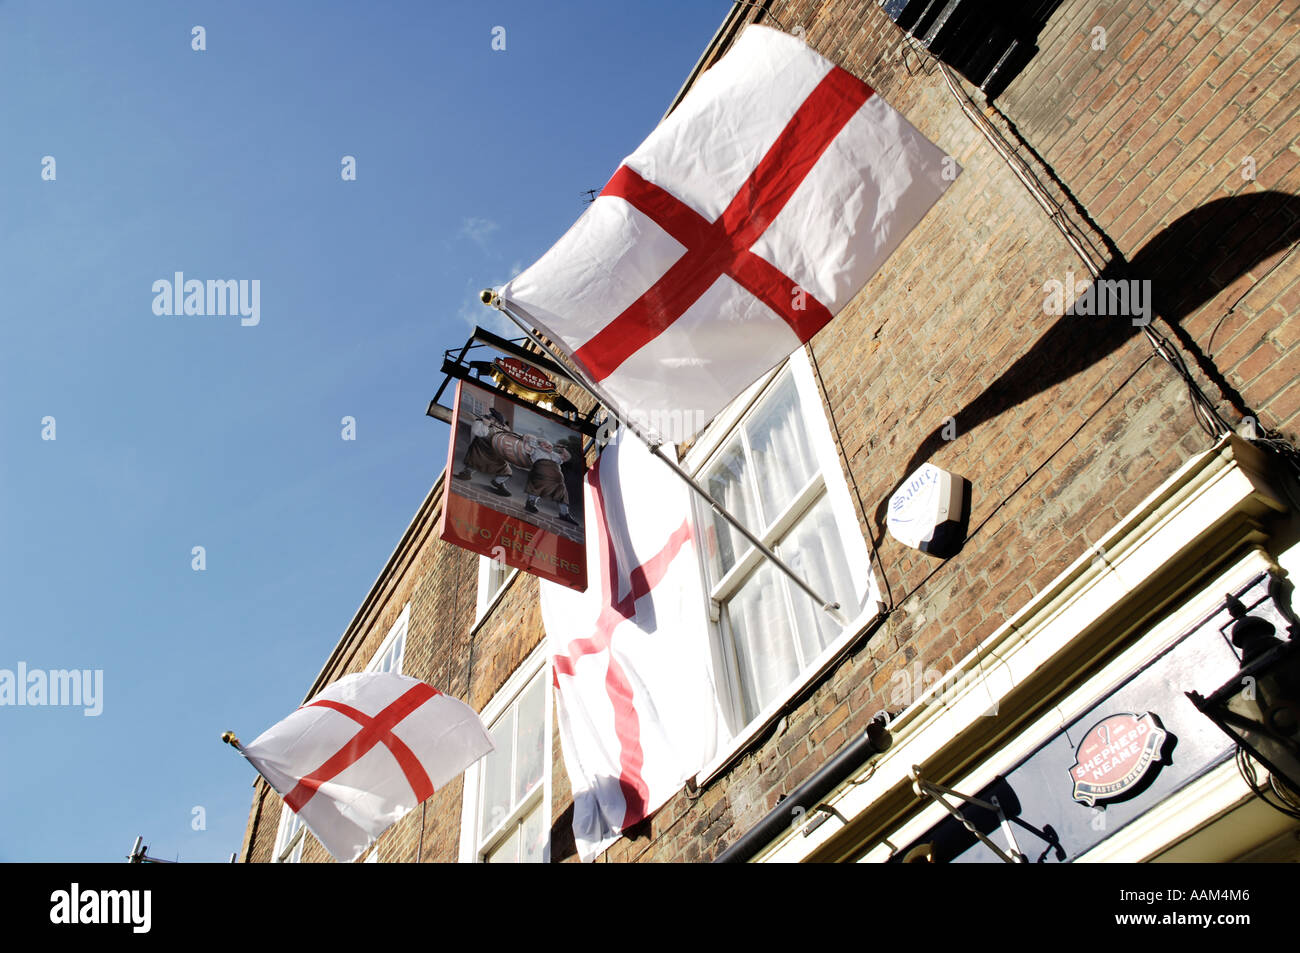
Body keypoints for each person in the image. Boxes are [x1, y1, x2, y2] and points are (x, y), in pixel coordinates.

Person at [455, 407, 512, 497]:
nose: (491, 418)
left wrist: (507, 431)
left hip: (494, 455)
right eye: (491, 417)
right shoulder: (480, 422)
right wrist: (485, 425)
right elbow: (479, 432)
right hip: (480, 451)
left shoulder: (500, 430)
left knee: (506, 470)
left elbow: (505, 440)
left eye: (494, 419)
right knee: (473, 463)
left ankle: (498, 482)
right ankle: (466, 474)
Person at [524, 436, 578, 526]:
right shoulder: (536, 450)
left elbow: (567, 457)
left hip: (557, 480)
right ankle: (530, 503)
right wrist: (526, 440)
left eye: (548, 443)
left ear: (551, 446)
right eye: (543, 444)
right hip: (541, 475)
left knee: (562, 494)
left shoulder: (555, 455)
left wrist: (563, 449)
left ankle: (564, 514)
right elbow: (527, 448)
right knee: (538, 487)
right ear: (539, 446)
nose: (546, 445)